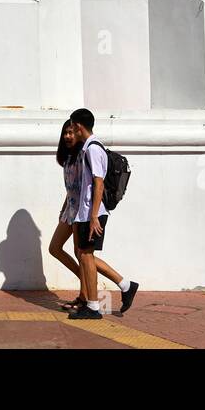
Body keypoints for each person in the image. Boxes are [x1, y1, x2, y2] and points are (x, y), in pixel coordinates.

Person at [67, 107, 138, 320]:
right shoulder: (88, 147)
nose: (71, 131)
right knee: (85, 255)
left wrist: (94, 216)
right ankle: (123, 287)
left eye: (72, 127)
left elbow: (98, 183)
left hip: (92, 213)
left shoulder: (93, 149)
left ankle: (94, 306)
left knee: (86, 255)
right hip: (86, 212)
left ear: (79, 126)